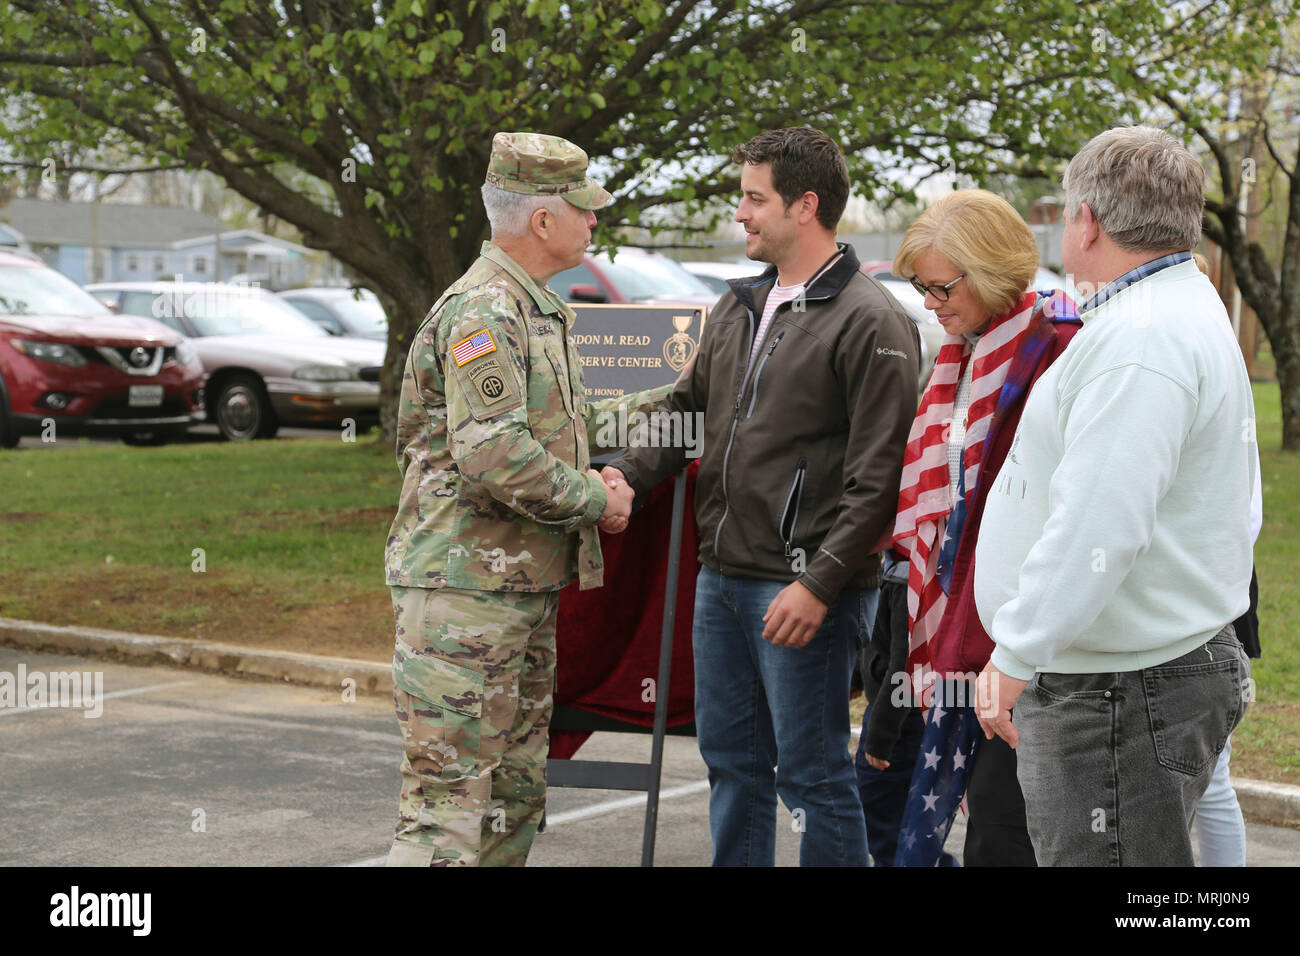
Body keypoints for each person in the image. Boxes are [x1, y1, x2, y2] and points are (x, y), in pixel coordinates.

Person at [603, 126, 920, 866]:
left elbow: (879, 483)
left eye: (754, 198)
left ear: (805, 205)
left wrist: (818, 583)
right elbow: (685, 418)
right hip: (721, 580)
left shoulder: (872, 321)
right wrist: (620, 473)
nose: (739, 213)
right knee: (733, 767)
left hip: (808, 591)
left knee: (812, 776)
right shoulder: (737, 305)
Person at [383, 131, 672, 867]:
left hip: (516, 593)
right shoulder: (486, 312)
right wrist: (595, 502)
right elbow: (495, 455)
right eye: (584, 208)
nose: (594, 222)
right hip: (464, 597)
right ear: (542, 220)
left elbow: (564, 431)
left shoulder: (531, 307)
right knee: (447, 815)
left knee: (509, 804)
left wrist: (686, 397)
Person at [973, 125, 1257, 867]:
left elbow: (1101, 520)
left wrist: (1015, 651)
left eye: (1066, 214)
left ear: (1088, 222)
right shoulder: (1168, 310)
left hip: (1118, 690)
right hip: (1130, 678)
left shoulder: (1142, 337)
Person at [857, 189, 1082, 867]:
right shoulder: (956, 356)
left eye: (940, 286)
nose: (929, 302)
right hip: (941, 623)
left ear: (987, 269)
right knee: (922, 802)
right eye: (920, 287)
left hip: (1025, 640)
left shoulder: (1059, 350)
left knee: (1004, 830)